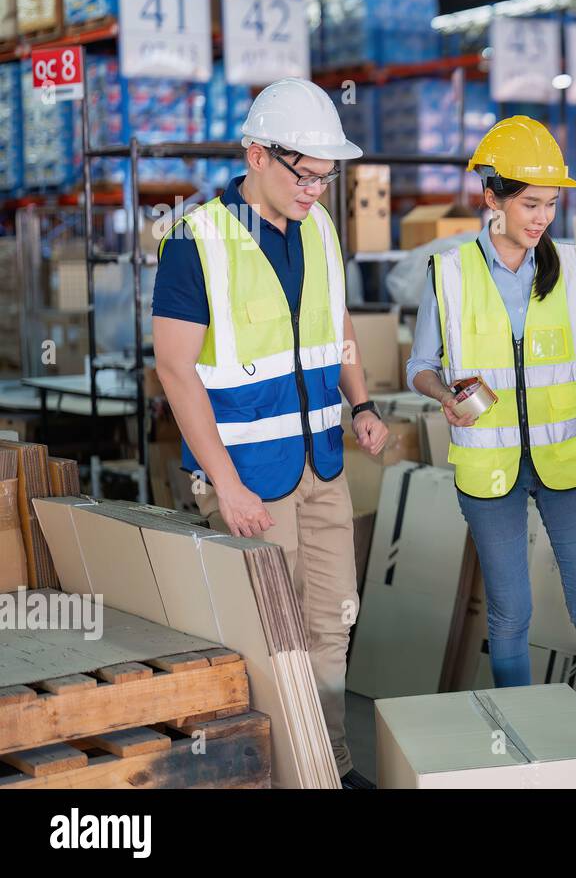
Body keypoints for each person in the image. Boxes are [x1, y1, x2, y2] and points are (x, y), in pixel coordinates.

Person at [152, 77, 388, 790]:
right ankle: (281, 777)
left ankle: (331, 767)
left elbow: (336, 325)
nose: (319, 190)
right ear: (257, 156)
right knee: (268, 643)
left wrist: (363, 404)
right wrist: (225, 485)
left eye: (327, 176)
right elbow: (175, 370)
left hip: (321, 468)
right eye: (307, 174)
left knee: (330, 626)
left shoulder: (317, 227)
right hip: (249, 479)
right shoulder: (196, 241)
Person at [406, 115, 576, 788]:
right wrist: (441, 393)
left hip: (566, 463)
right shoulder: (448, 270)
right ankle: (525, 760)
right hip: (489, 467)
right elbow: (419, 364)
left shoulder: (570, 266)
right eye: (530, 203)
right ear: (494, 197)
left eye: (551, 204)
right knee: (511, 616)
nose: (543, 217)